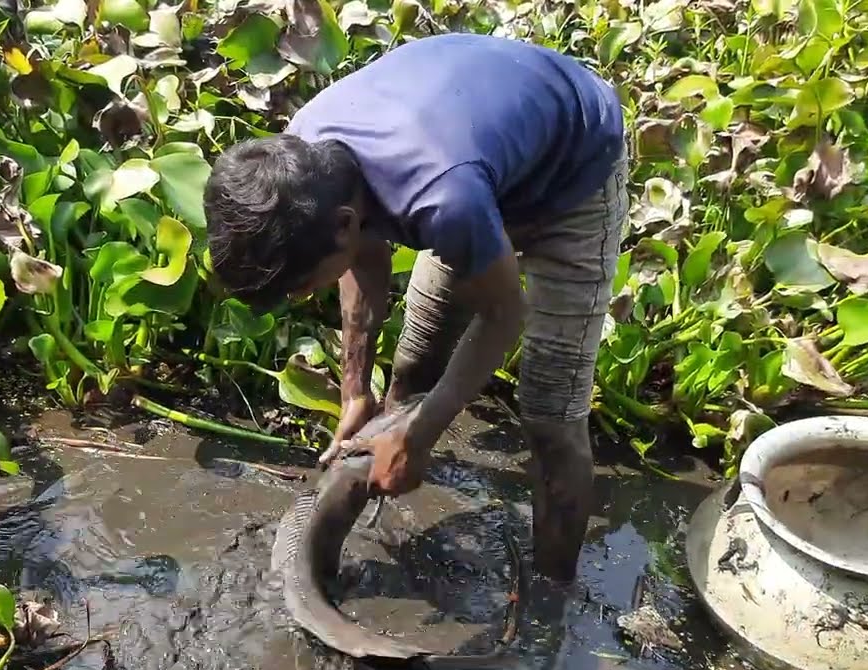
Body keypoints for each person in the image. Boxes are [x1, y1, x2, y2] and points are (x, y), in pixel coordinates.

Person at [202, 32, 629, 583]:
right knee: (414, 366)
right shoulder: (302, 161)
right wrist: (355, 390)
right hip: (473, 155)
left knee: (550, 416)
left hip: (573, 168)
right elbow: (362, 260)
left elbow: (504, 315)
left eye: (303, 286)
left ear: (344, 225)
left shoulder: (441, 198)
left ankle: (553, 596)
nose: (302, 298)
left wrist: (420, 434)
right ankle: (379, 485)